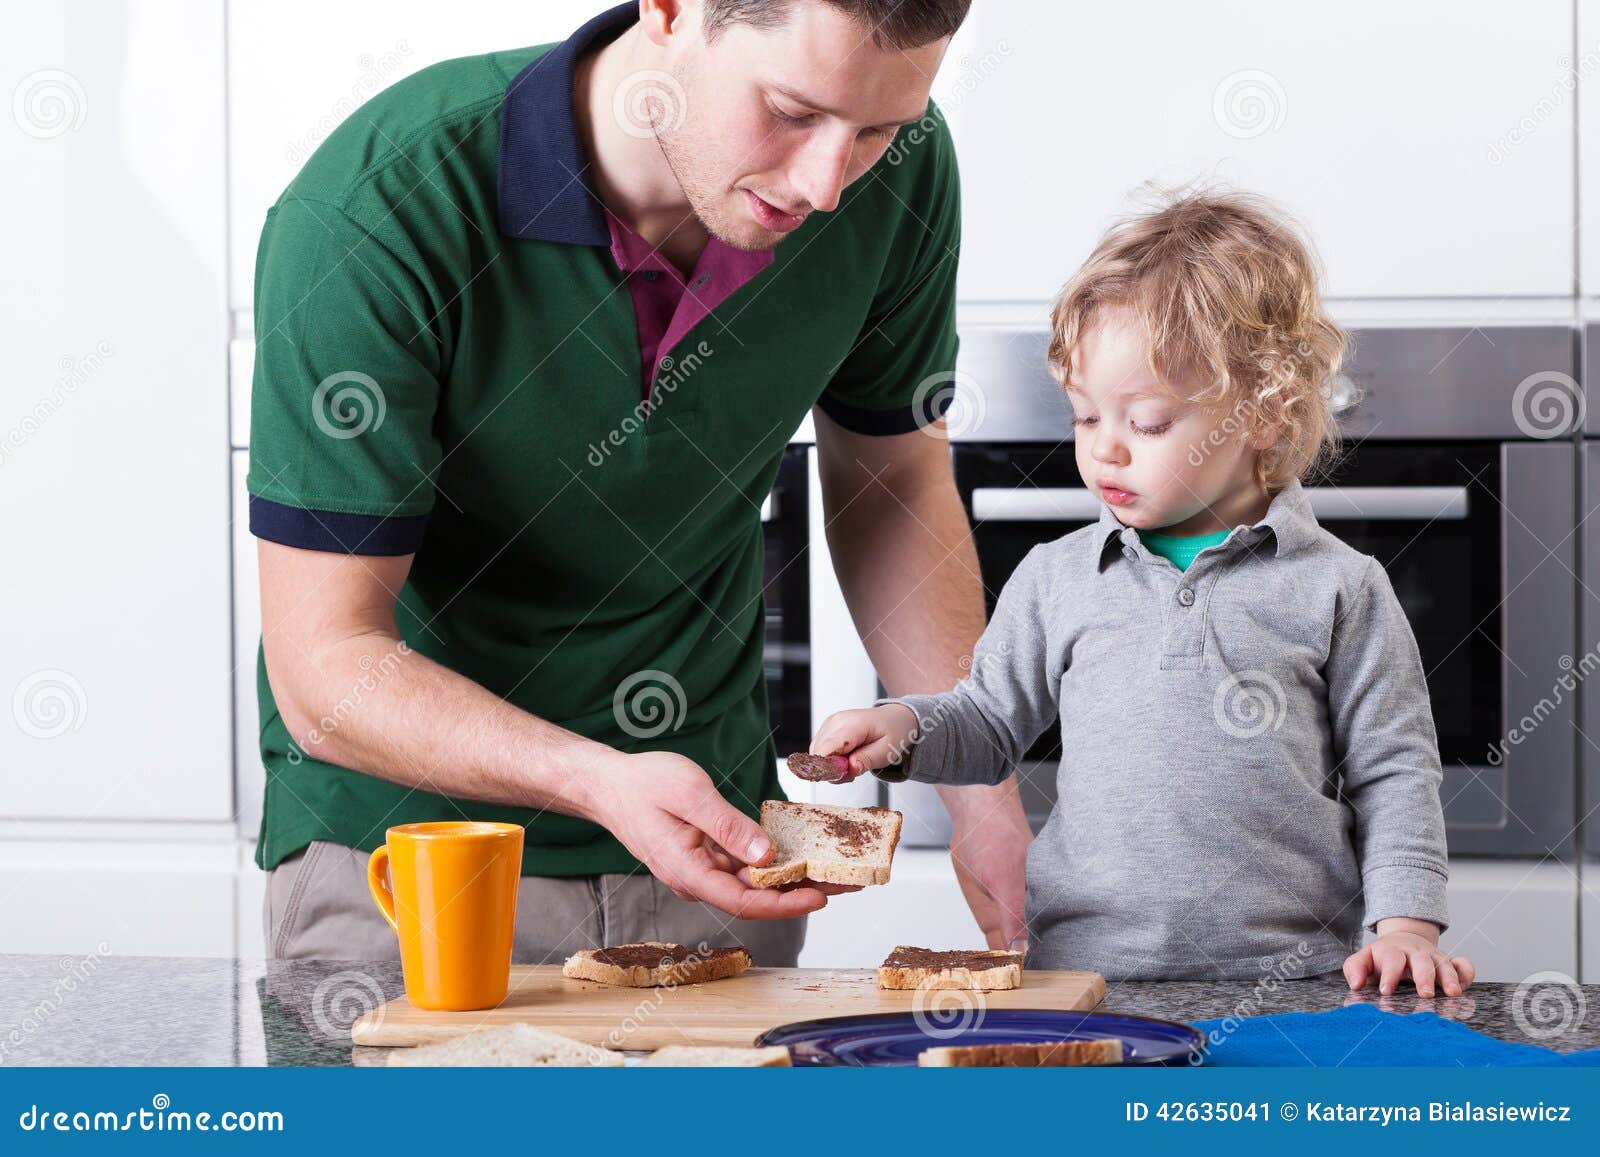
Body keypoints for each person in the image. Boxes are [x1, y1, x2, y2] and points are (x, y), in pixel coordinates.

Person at [247, 0, 1033, 965]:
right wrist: (597, 779)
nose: (828, 184)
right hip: (414, 869)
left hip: (713, 866)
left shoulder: (900, 174)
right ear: (669, 11)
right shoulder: (383, 203)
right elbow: (325, 669)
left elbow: (894, 490)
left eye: (876, 130)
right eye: (790, 111)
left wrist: (981, 785)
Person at [806, 190, 1478, 996]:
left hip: (1297, 980)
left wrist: (1405, 924)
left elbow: (1396, 771)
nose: (1105, 453)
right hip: (1084, 977)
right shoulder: (1058, 577)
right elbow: (987, 722)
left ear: (1263, 416)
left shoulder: (1341, 587)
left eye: (1149, 423)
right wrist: (904, 724)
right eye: (1086, 418)